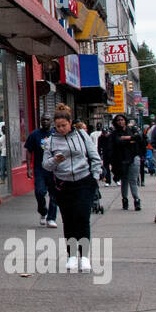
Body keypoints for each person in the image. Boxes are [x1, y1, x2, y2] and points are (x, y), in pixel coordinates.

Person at [41, 104, 101, 271]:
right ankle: (72, 255)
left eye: (64, 125)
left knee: (83, 218)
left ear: (70, 122)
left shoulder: (82, 135)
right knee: (68, 220)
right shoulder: (50, 141)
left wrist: (95, 177)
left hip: (84, 181)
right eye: (58, 126)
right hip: (63, 184)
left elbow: (95, 157)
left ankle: (85, 256)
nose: (61, 129)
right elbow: (45, 165)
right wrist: (55, 161)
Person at [24, 116, 56, 227]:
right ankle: (43, 212)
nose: (45, 122)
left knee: (54, 194)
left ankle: (51, 218)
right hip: (40, 169)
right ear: (40, 121)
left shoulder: (56, 133)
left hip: (54, 170)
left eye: (47, 119)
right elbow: (28, 151)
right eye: (43, 120)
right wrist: (28, 168)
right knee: (39, 192)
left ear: (51, 121)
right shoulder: (34, 135)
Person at [109, 114, 143, 211]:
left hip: (133, 156)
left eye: (122, 120)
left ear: (125, 121)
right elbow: (117, 142)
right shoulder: (114, 133)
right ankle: (125, 199)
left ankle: (136, 200)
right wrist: (131, 139)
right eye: (118, 120)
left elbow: (139, 138)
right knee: (124, 180)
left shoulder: (132, 129)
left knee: (133, 179)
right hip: (121, 159)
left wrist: (125, 138)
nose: (120, 122)